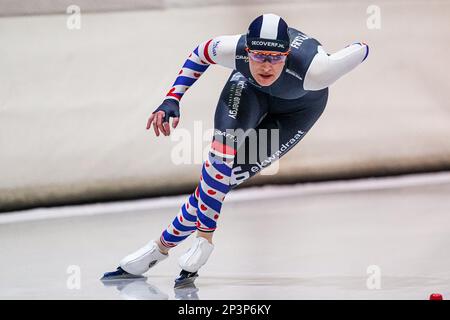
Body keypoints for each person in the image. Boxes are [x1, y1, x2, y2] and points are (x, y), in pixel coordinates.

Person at [102, 13, 369, 286]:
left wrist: (342, 53)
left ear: (287, 54)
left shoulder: (318, 70)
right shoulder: (233, 49)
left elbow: (361, 49)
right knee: (219, 161)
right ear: (246, 50)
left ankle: (158, 249)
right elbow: (199, 54)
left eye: (275, 58)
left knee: (221, 183)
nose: (266, 66)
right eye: (259, 56)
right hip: (248, 91)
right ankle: (201, 241)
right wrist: (172, 98)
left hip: (297, 111)